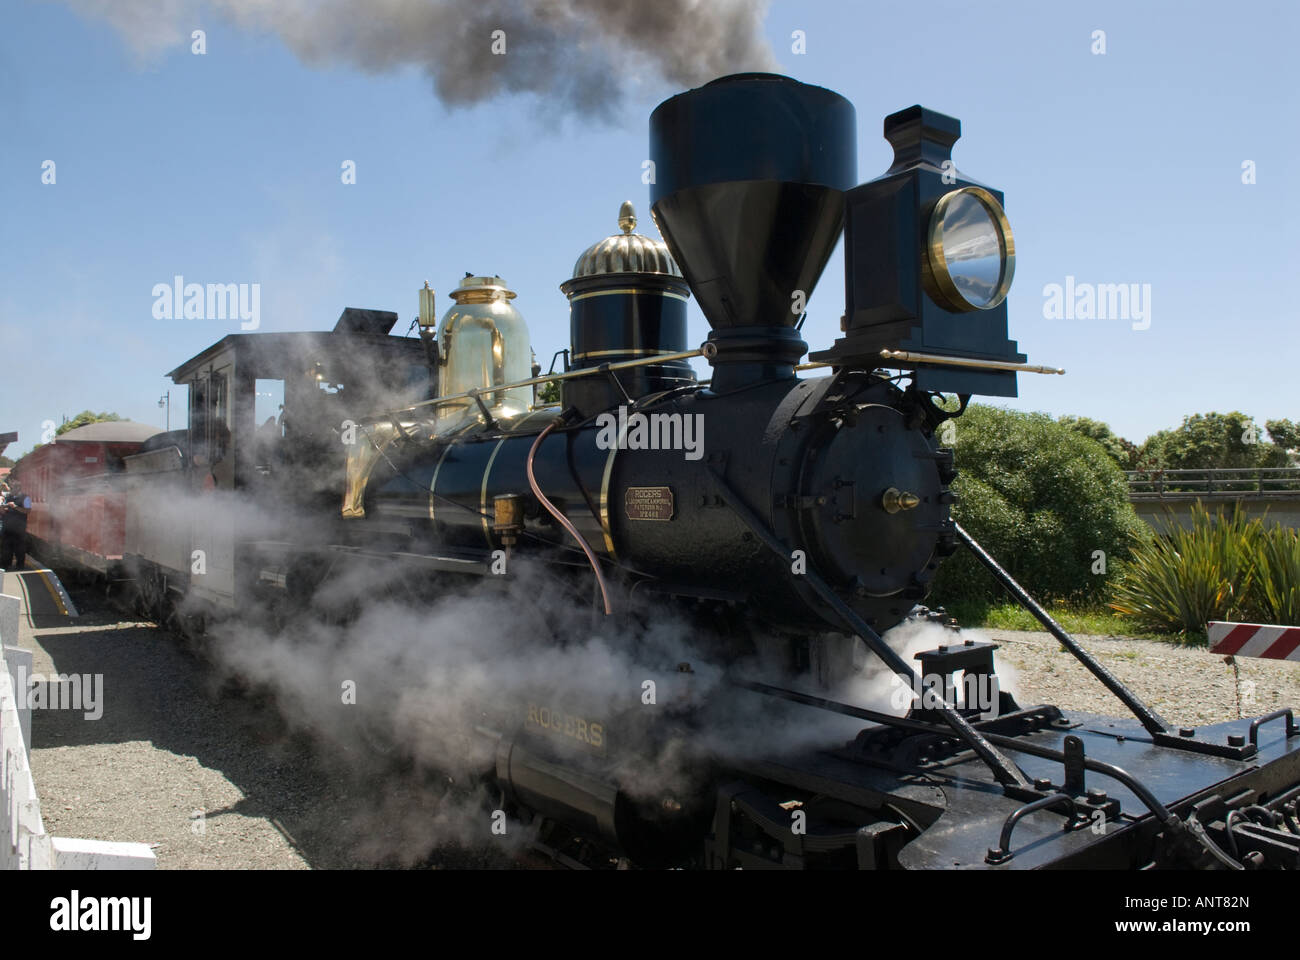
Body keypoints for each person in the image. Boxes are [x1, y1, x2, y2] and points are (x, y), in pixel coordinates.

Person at [0, 480, 32, 570]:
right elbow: (2, 510)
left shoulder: (26, 498)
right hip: (7, 526)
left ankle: (20, 565)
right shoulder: (8, 497)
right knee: (6, 547)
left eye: (13, 488)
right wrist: (3, 508)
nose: (11, 490)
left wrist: (15, 507)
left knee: (19, 548)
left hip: (19, 528)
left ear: (18, 488)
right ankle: (5, 565)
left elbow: (28, 511)